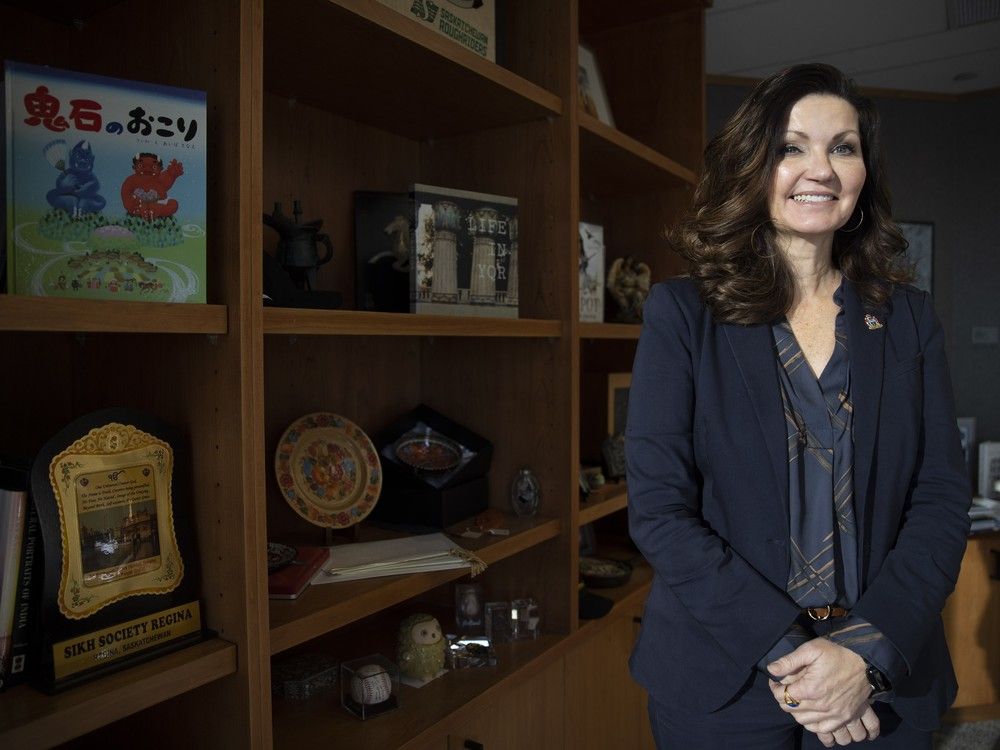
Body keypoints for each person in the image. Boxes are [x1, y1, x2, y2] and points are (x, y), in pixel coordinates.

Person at [625, 63, 971, 749]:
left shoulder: (908, 319)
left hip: (879, 674)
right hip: (724, 675)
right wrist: (798, 658)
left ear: (865, 172)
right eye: (792, 146)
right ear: (753, 164)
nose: (821, 169)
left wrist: (862, 655)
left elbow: (940, 499)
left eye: (843, 147)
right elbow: (659, 509)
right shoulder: (681, 314)